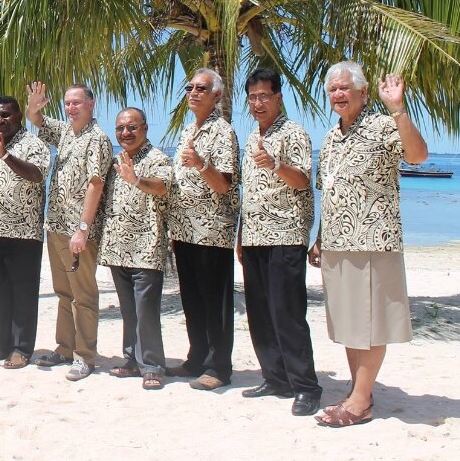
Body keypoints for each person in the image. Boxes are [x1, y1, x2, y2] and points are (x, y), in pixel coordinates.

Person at [309, 62, 427, 428]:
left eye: (345, 88)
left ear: (362, 92)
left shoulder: (381, 126)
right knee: (348, 321)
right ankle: (361, 392)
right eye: (332, 89)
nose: (338, 94)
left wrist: (398, 109)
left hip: (374, 239)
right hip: (337, 243)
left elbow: (417, 155)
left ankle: (359, 403)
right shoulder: (330, 137)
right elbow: (329, 192)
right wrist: (320, 238)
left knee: (371, 322)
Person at [238, 67, 321, 416]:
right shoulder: (252, 136)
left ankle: (306, 387)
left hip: (286, 235)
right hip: (255, 236)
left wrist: (275, 164)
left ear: (278, 97)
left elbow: (303, 180)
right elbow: (249, 192)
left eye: (263, 96)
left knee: (287, 313)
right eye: (252, 97)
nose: (257, 103)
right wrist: (241, 236)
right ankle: (275, 378)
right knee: (259, 312)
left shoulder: (293, 133)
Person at [25, 82, 112, 381]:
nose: (71, 108)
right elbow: (36, 120)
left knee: (83, 294)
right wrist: (34, 107)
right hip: (56, 225)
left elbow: (96, 184)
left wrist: (83, 229)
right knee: (64, 292)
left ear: (91, 103)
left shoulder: (97, 138)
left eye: (77, 102)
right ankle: (64, 348)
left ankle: (85, 356)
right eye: (67, 103)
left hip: (78, 231)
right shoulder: (65, 132)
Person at [168, 67, 240, 390]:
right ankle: (197, 357)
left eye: (201, 88)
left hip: (212, 231)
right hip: (184, 230)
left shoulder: (223, 131)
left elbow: (224, 184)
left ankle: (218, 367)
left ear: (217, 96)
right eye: (190, 87)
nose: (193, 93)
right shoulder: (187, 130)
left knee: (215, 302)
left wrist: (200, 164)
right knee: (192, 299)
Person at [101, 108, 173, 391]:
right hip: (117, 248)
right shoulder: (117, 160)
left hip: (146, 248)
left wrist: (137, 180)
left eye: (131, 127)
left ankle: (153, 366)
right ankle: (132, 359)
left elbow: (162, 187)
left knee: (146, 311)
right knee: (128, 310)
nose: (125, 133)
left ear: (144, 128)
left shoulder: (157, 158)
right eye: (120, 129)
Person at [0, 96, 50, 370]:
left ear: (19, 117)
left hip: (24, 234)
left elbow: (36, 175)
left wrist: (6, 156)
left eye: (5, 115)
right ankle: (1, 344)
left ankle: (21, 348)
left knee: (24, 294)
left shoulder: (35, 145)